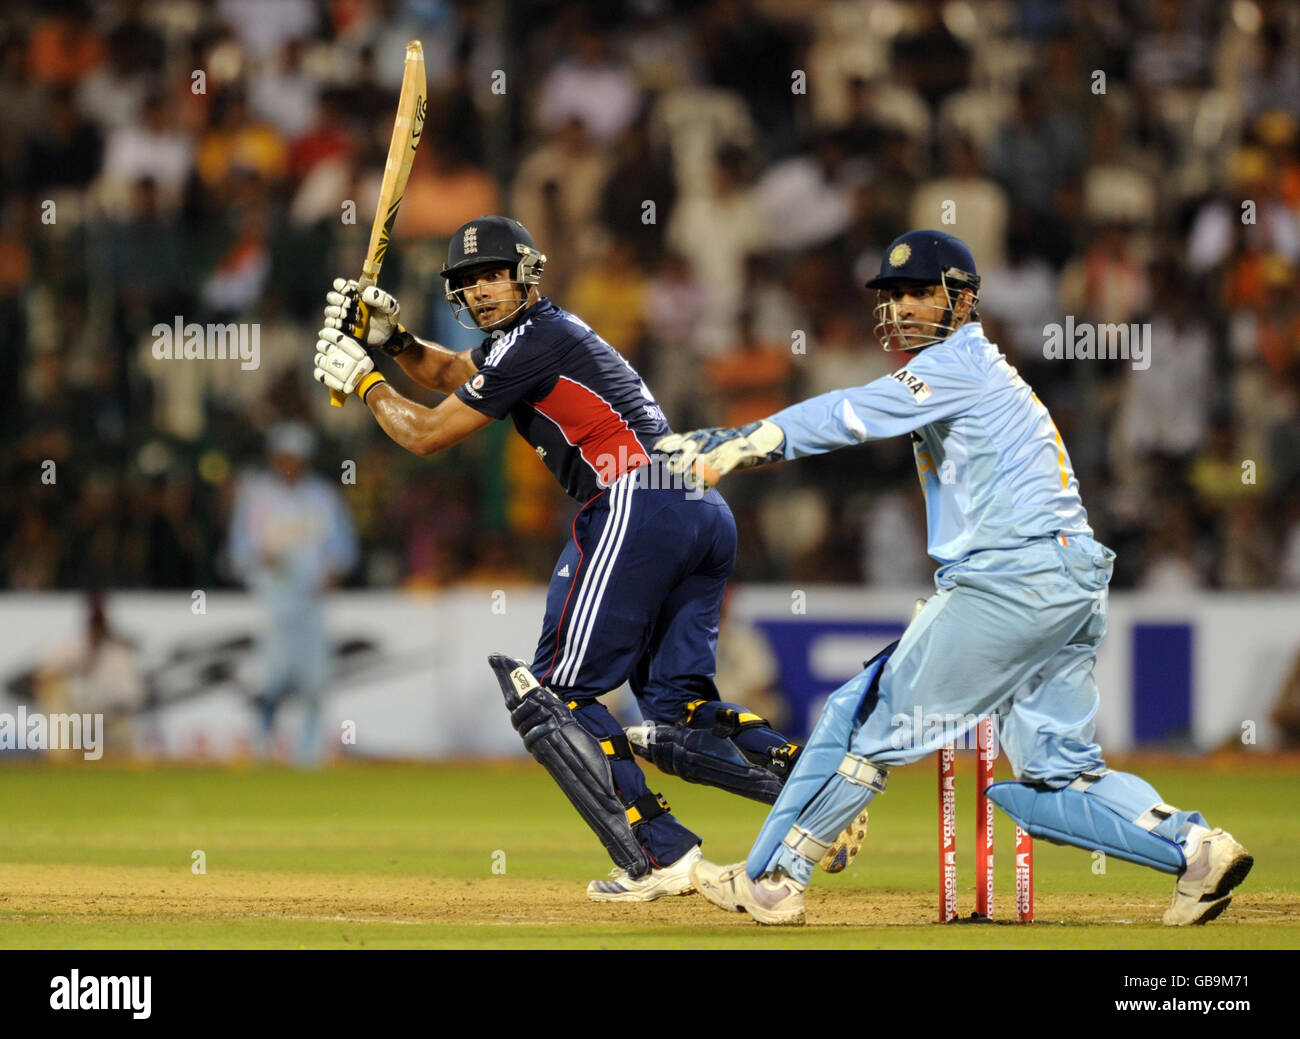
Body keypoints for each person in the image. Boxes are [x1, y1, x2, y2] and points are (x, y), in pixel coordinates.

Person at [657, 230, 1254, 926]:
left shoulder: (957, 362)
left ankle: (773, 878)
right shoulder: (979, 371)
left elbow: (850, 413)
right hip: (1068, 577)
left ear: (962, 299)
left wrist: (740, 443)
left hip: (1014, 575)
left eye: (920, 291)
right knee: (1056, 777)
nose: (904, 306)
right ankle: (1195, 849)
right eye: (895, 294)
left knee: (862, 718)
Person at [313, 216, 852, 901]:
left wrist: (365, 379)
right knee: (671, 711)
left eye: (492, 274)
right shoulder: (538, 339)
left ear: (526, 274)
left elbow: (422, 432)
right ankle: (813, 794)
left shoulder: (533, 340)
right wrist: (392, 340)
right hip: (695, 502)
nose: (480, 291)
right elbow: (453, 372)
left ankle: (661, 856)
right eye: (467, 282)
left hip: (634, 497)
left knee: (555, 697)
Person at [227, 422, 357, 765]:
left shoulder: (323, 496)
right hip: (270, 601)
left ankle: (309, 754)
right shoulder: (256, 495)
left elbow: (343, 548)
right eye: (284, 456)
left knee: (314, 680)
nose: (290, 464)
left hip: (312, 602)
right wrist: (259, 558)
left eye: (296, 457)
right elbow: (238, 550)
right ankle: (261, 747)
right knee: (270, 679)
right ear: (273, 457)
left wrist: (333, 572)